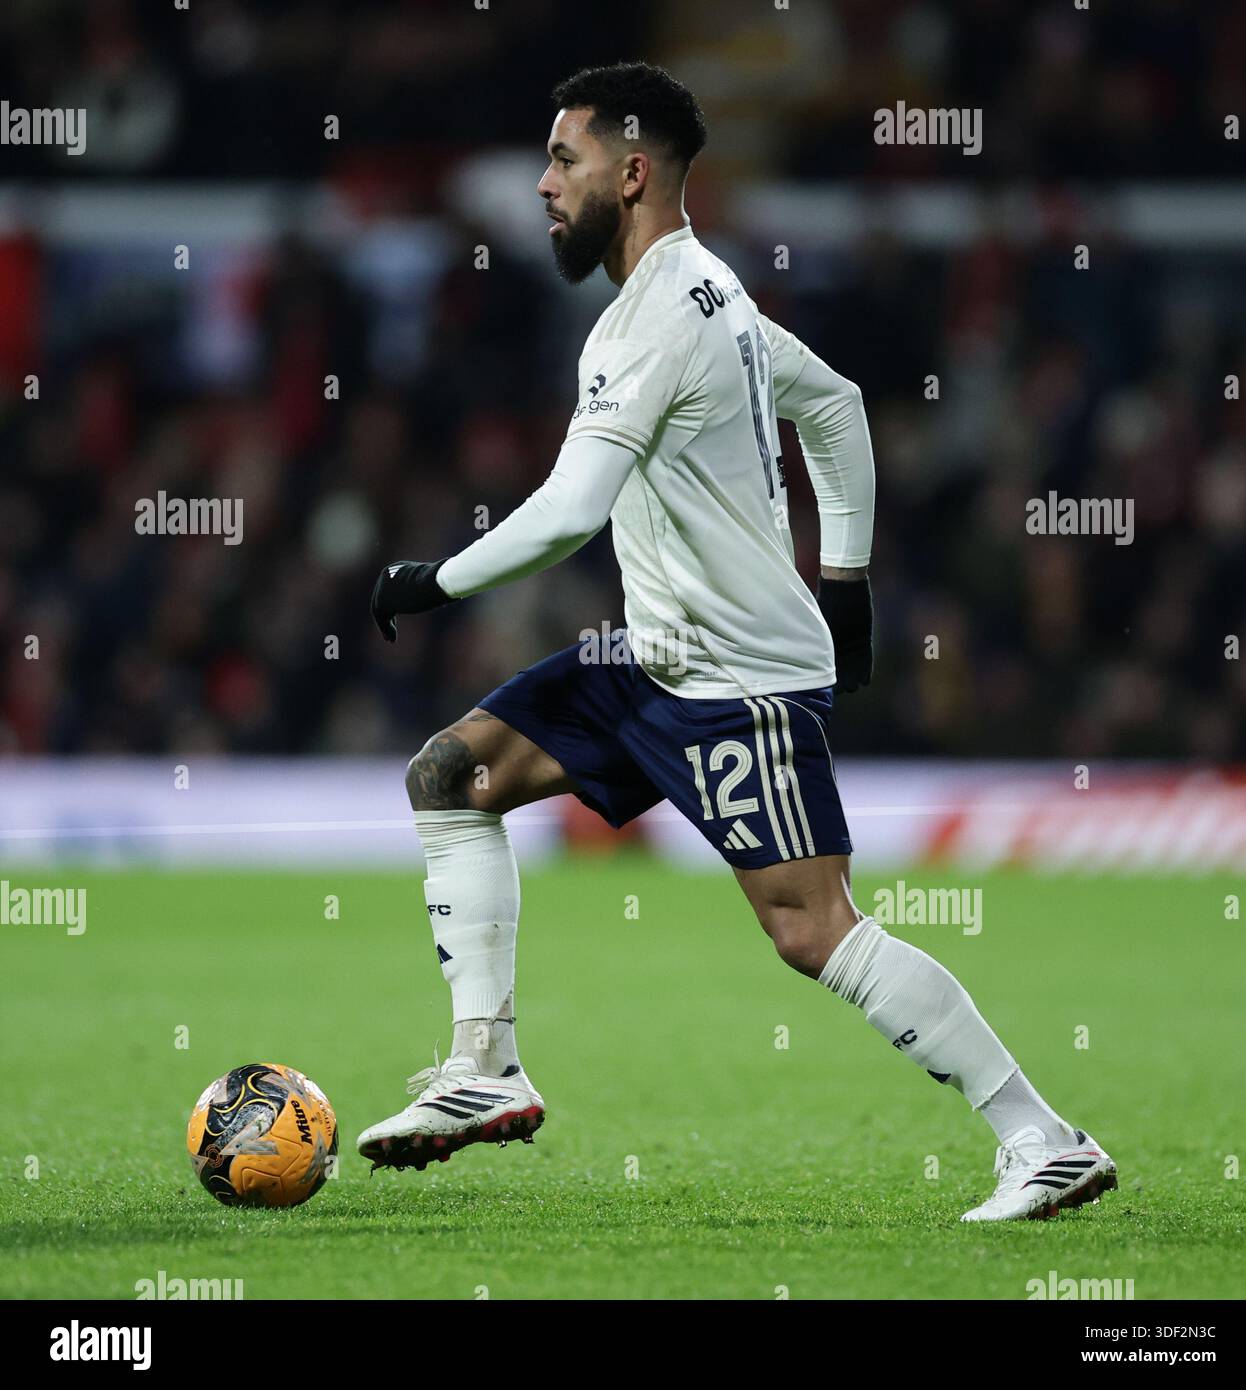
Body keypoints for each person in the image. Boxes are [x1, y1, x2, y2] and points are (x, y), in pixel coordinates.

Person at [359, 62, 1115, 1221]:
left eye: (564, 160)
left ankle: (1042, 1139)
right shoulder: (715, 293)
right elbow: (839, 403)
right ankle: (483, 1066)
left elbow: (570, 510)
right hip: (653, 656)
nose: (545, 184)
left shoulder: (657, 315)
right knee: (450, 774)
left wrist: (433, 577)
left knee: (813, 931)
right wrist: (847, 583)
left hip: (734, 678)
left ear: (634, 168)